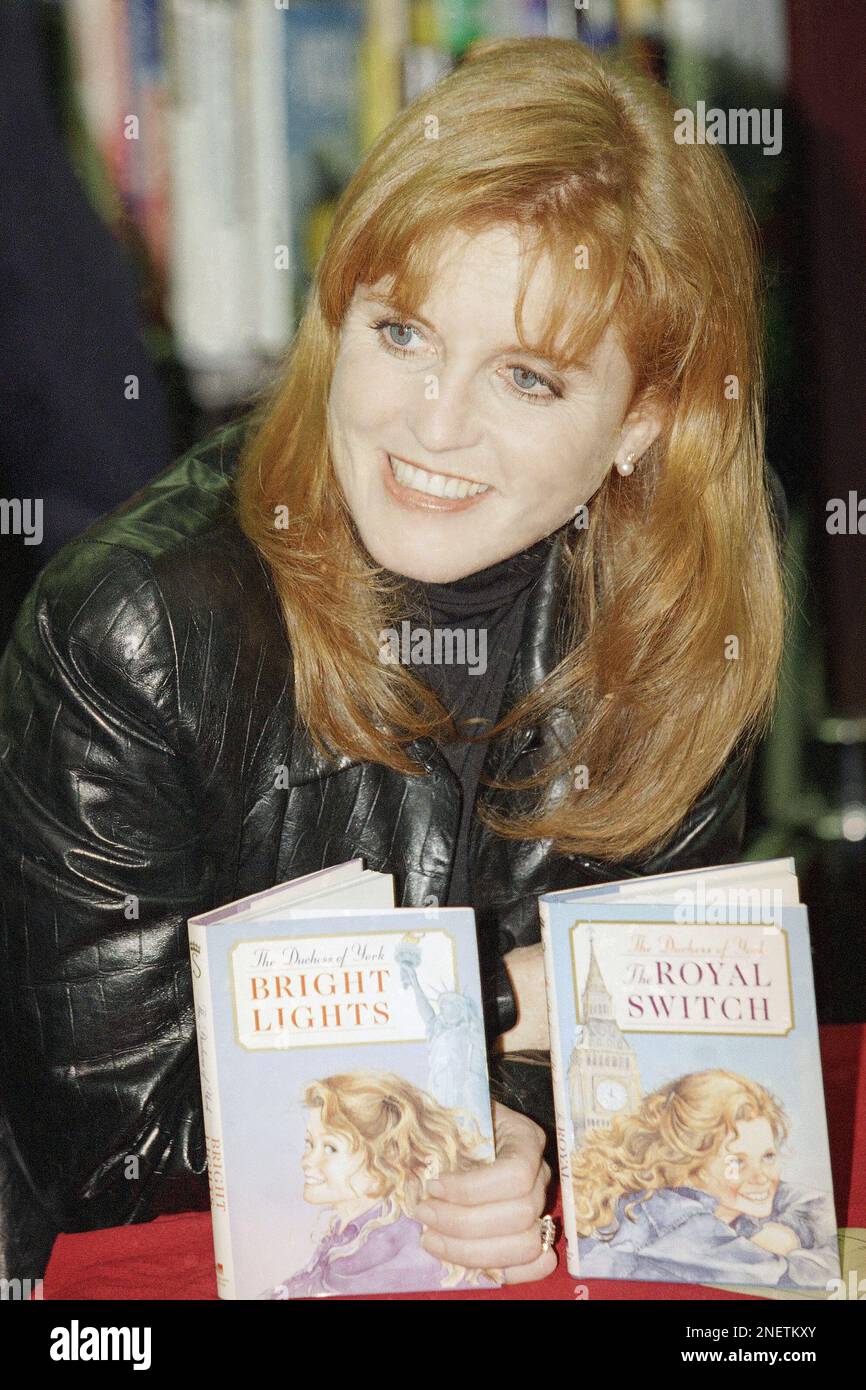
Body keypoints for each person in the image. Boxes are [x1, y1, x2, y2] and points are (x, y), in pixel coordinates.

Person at [0, 37, 787, 1285]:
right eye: (403, 332)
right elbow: (113, 1152)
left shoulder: (674, 622)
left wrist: (509, 1131)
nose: (431, 424)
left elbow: (669, 1036)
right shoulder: (131, 632)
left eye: (525, 377)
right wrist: (490, 1006)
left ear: (641, 418)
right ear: (340, 310)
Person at [571, 1070, 839, 1287]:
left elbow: (818, 1203)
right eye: (737, 1161)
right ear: (687, 1163)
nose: (762, 1177)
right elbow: (811, 1279)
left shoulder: (673, 1193)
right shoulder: (681, 1225)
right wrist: (777, 1241)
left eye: (767, 1156)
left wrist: (789, 1230)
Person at [269, 1072, 499, 1298]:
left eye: (330, 1148)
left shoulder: (393, 1248)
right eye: (309, 1144)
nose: (307, 1160)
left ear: (387, 1160)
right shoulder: (350, 1233)